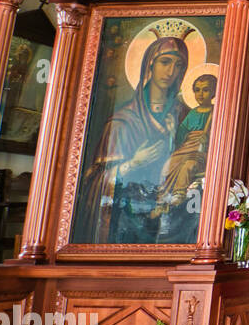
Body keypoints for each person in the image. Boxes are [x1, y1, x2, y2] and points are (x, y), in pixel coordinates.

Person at [76, 33, 190, 244]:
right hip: (127, 217)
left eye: (178, 66)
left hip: (170, 215)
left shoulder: (185, 116)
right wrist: (133, 163)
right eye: (165, 62)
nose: (171, 72)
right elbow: (96, 182)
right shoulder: (121, 121)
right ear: (150, 64)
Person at [151, 73, 217, 242]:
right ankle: (162, 201)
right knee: (168, 164)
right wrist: (174, 132)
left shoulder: (216, 113)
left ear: (214, 92)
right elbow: (181, 135)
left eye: (205, 90)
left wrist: (209, 138)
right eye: (197, 90)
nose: (201, 94)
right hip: (187, 146)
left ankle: (178, 195)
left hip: (202, 151)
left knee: (189, 166)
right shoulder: (193, 113)